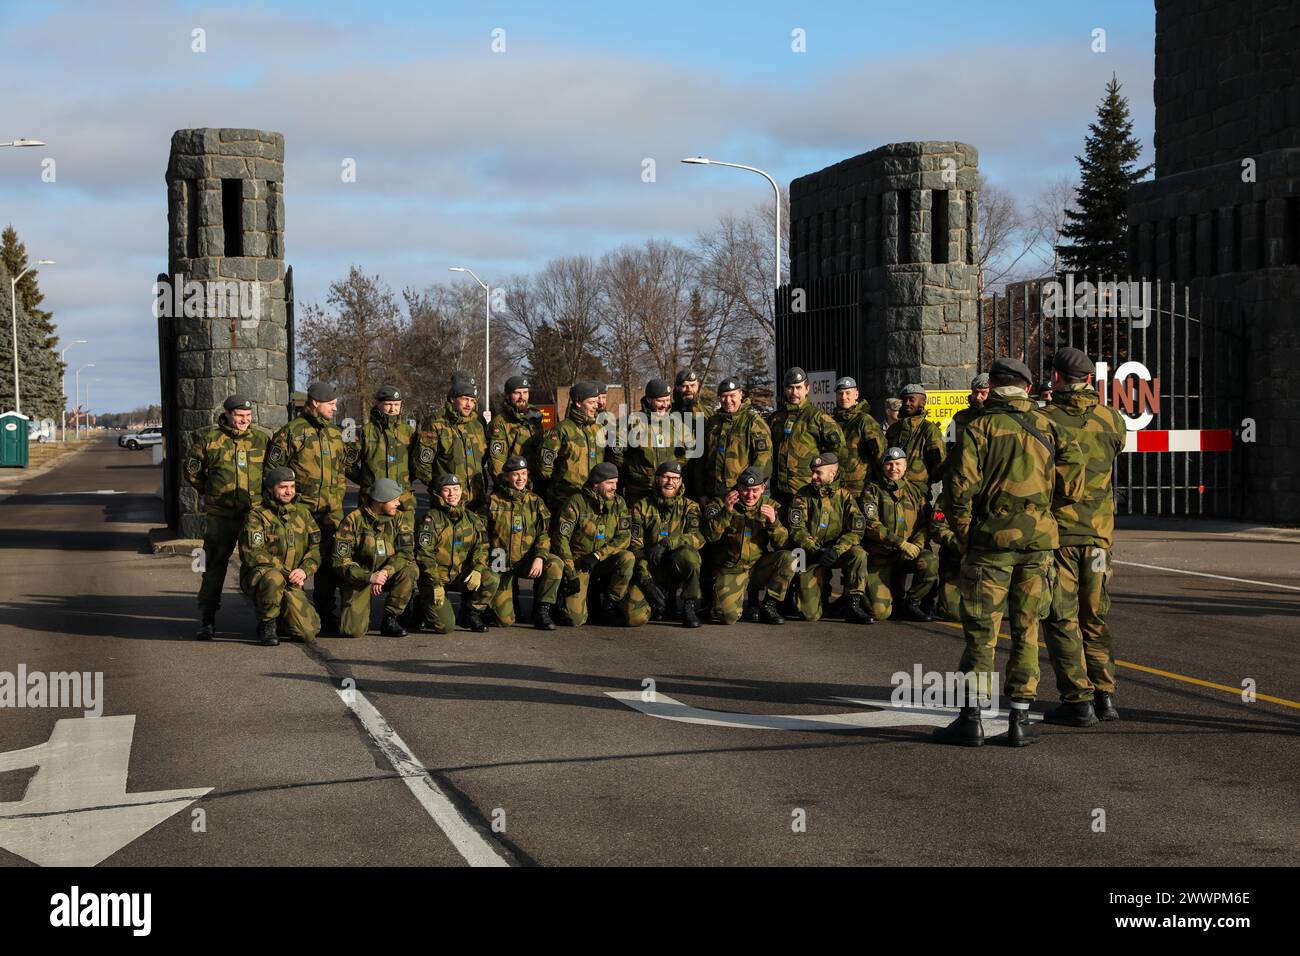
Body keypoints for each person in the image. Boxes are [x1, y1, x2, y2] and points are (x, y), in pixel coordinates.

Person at [934, 357, 1085, 748]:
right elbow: (1074, 486)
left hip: (989, 545)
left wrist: (967, 535)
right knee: (1027, 631)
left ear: (995, 384)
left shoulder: (978, 426)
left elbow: (957, 489)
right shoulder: (1050, 425)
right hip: (1038, 545)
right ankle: (1019, 718)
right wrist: (1041, 512)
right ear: (1027, 387)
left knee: (982, 633)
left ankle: (971, 719)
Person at [1041, 346, 1127, 725]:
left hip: (1060, 535)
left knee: (1062, 617)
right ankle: (1105, 695)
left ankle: (1078, 700)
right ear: (1089, 379)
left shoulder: (1045, 420)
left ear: (1056, 378)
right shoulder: (1112, 419)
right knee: (1096, 617)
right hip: (1099, 536)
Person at [184, 394, 270, 640]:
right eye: (240, 416)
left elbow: (272, 475)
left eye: (248, 416)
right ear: (228, 414)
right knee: (213, 567)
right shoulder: (210, 440)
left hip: (253, 515)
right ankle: (207, 619)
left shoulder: (261, 440)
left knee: (257, 564)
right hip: (221, 516)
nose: (245, 420)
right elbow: (191, 471)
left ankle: (266, 620)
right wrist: (210, 491)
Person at [267, 381, 347, 632]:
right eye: (331, 404)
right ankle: (286, 615)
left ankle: (325, 612)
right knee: (294, 562)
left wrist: (337, 497)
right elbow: (273, 473)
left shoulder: (334, 434)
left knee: (328, 565)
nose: (335, 409)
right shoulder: (291, 432)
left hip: (331, 512)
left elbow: (341, 470)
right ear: (315, 403)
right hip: (300, 512)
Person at [786, 452, 873, 624]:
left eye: (818, 473)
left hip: (836, 552)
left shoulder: (845, 497)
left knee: (859, 554)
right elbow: (797, 529)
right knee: (809, 615)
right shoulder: (802, 495)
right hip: (809, 554)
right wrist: (815, 550)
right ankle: (817, 592)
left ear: (832, 474)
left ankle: (852, 605)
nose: (813, 476)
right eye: (813, 472)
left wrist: (837, 549)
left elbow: (856, 530)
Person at [239, 467, 322, 646]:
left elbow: (315, 550)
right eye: (283, 486)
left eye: (292, 486)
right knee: (273, 578)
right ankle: (267, 624)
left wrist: (304, 571)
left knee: (308, 632)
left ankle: (283, 620)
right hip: (263, 577)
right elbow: (253, 553)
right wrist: (287, 572)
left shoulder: (302, 513)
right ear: (270, 488)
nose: (289, 491)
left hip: (292, 579)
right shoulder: (257, 515)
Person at [702, 467, 795, 625]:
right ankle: (716, 599)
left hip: (758, 567)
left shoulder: (771, 506)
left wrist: (774, 522)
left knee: (790, 558)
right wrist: (726, 511)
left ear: (762, 488)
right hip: (732, 569)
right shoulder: (721, 502)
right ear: (738, 486)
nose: (750, 495)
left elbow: (782, 544)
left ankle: (769, 605)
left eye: (754, 490)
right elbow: (709, 536)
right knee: (727, 617)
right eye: (745, 489)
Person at [485, 455, 564, 630]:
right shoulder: (493, 501)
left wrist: (540, 557)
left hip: (527, 559)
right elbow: (482, 535)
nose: (520, 478)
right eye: (515, 474)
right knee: (504, 621)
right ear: (506, 476)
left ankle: (542, 611)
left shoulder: (535, 501)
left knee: (555, 564)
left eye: (523, 473)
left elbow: (544, 534)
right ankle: (503, 599)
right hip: (501, 561)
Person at [860, 447, 939, 622]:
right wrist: (900, 543)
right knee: (879, 613)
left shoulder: (915, 492)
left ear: (905, 467)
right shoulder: (872, 490)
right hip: (880, 558)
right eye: (889, 464)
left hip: (906, 555)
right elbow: (872, 525)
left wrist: (916, 545)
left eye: (898, 464)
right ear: (883, 467)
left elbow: (925, 525)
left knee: (929, 561)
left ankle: (911, 603)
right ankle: (859, 595)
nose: (893, 468)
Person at [551, 462, 635, 626]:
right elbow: (560, 539)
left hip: (602, 560)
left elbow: (624, 537)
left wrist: (598, 555)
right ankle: (565, 598)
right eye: (610, 483)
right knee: (574, 619)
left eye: (616, 483)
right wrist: (570, 573)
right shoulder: (576, 502)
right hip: (580, 563)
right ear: (596, 483)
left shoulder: (619, 503)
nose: (614, 487)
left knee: (627, 558)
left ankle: (610, 604)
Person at [333, 478, 418, 639]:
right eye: (394, 500)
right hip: (360, 577)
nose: (398, 504)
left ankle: (391, 618)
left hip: (387, 575)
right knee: (352, 631)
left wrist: (385, 572)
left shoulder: (399, 519)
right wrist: (370, 577)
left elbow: (406, 553)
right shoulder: (353, 520)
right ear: (380, 501)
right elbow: (340, 560)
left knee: (410, 570)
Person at [414, 473, 498, 634]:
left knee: (492, 578)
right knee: (445, 627)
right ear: (438, 493)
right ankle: (421, 604)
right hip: (436, 579)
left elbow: (482, 547)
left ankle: (471, 613)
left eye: (456, 489)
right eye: (447, 490)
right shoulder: (430, 520)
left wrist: (478, 570)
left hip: (460, 575)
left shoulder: (472, 518)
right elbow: (424, 554)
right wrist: (435, 583)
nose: (452, 494)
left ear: (462, 491)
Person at [626, 461, 705, 628]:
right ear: (657, 479)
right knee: (633, 618)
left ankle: (688, 605)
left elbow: (696, 538)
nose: (670, 482)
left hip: (676, 565)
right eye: (666, 477)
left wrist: (667, 543)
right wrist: (647, 583)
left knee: (690, 556)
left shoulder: (690, 507)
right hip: (650, 567)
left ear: (681, 482)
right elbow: (636, 548)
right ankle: (658, 601)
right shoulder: (641, 507)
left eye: (675, 478)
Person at [768, 366, 843, 505]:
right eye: (790, 387)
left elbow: (838, 451)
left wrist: (824, 479)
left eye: (798, 387)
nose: (794, 392)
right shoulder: (776, 418)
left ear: (807, 389)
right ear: (784, 389)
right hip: (778, 492)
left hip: (806, 491)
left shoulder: (818, 418)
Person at [415, 376, 489, 510]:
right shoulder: (436, 424)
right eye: (465, 399)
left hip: (476, 501)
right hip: (447, 503)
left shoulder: (477, 425)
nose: (469, 405)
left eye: (472, 401)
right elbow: (422, 465)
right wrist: (440, 489)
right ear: (453, 399)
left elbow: (482, 460)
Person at [611, 379, 685, 506]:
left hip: (666, 494)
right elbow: (615, 454)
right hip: (639, 493)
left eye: (667, 400)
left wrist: (673, 469)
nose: (665, 405)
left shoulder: (675, 423)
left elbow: (687, 450)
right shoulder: (631, 423)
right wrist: (632, 471)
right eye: (660, 401)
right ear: (649, 400)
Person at [699, 376, 772, 501]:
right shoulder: (712, 423)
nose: (728, 400)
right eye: (724, 396)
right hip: (713, 495)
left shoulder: (753, 422)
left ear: (740, 394)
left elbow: (764, 459)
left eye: (732, 395)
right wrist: (701, 492)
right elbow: (701, 459)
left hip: (741, 495)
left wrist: (748, 489)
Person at [349, 384, 418, 513]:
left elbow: (417, 464)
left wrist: (406, 481)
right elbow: (348, 463)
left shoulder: (409, 432)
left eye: (397, 405)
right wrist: (366, 481)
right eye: (388, 404)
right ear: (378, 404)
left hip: (402, 500)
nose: (393, 409)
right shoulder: (365, 432)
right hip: (373, 501)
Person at [538, 380, 603, 511]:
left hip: (592, 500)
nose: (596, 406)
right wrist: (560, 486)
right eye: (591, 402)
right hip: (565, 500)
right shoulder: (562, 430)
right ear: (578, 403)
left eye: (596, 402)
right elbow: (545, 467)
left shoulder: (598, 429)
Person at [885, 383, 947, 491]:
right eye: (904, 400)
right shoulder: (893, 429)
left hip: (918, 492)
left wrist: (922, 479)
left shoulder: (929, 430)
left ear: (922, 403)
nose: (907, 403)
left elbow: (940, 465)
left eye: (911, 400)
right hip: (892, 489)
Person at [831, 376, 887, 494]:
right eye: (840, 393)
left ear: (856, 394)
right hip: (834, 486)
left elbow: (879, 453)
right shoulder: (830, 421)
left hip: (859, 488)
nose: (844, 397)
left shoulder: (864, 420)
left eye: (848, 393)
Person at [488, 375, 545, 482]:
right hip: (513, 484)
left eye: (525, 392)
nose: (522, 397)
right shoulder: (500, 422)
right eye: (517, 393)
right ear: (508, 395)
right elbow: (497, 461)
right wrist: (507, 486)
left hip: (536, 483)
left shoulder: (535, 417)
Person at [947, 373, 990, 456]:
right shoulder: (959, 417)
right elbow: (948, 443)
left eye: (983, 393)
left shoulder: (997, 417)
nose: (978, 397)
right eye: (975, 392)